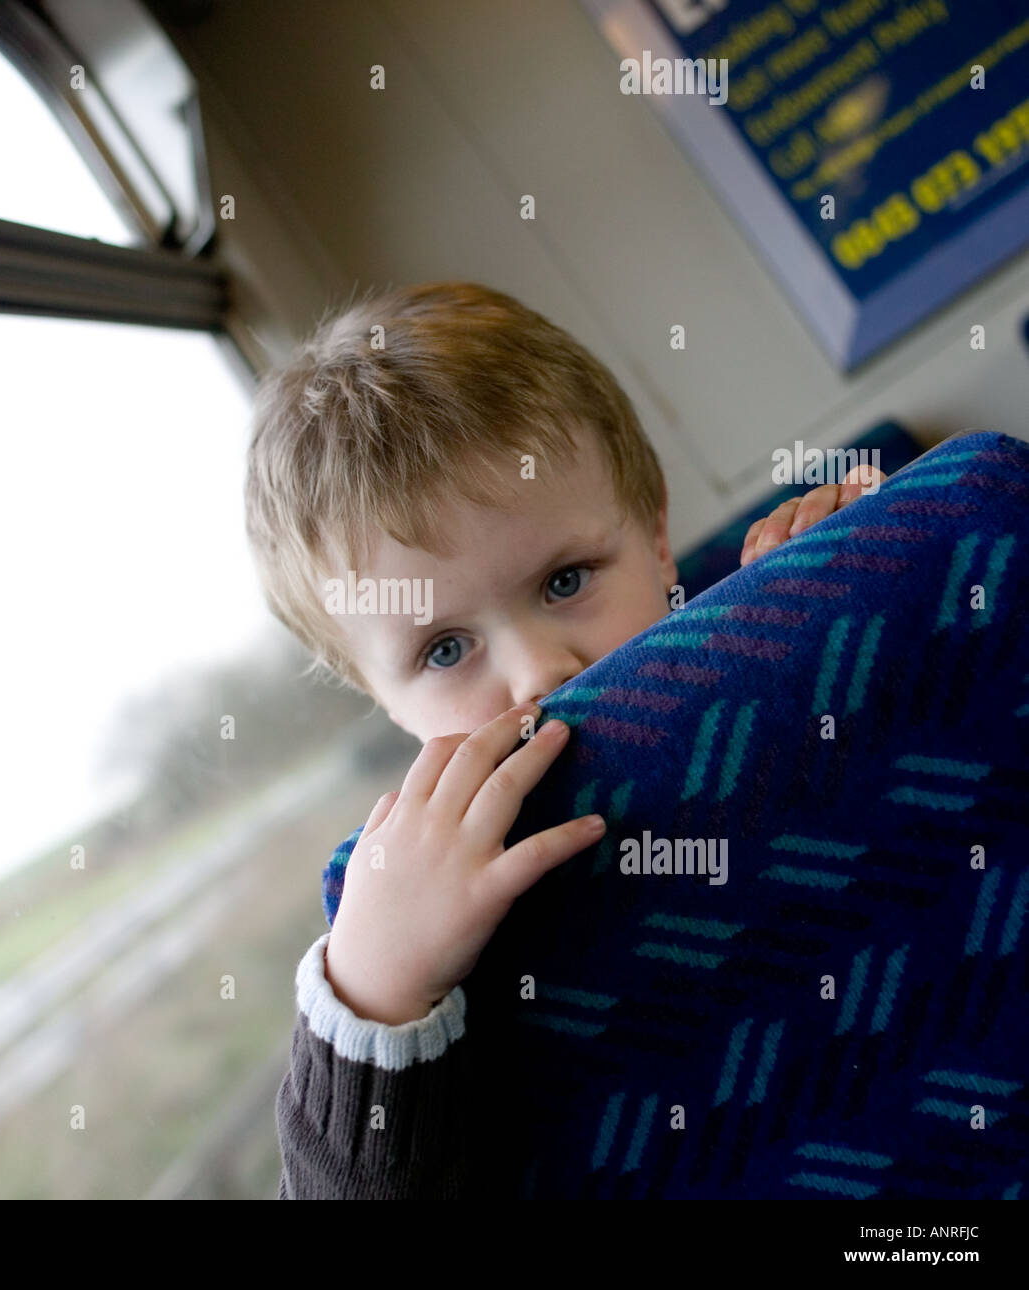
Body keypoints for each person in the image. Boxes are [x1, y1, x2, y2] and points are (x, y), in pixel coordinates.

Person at [244, 281, 882, 1198]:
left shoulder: (790, 655)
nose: (539, 672)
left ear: (656, 538)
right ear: (378, 696)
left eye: (566, 580)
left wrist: (879, 606)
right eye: (446, 649)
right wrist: (376, 1001)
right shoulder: (410, 925)